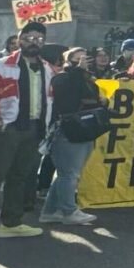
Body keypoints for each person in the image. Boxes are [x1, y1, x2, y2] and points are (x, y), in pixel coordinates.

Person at [0, 20, 59, 248]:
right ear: (19, 40)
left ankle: (11, 222)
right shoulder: (0, 66)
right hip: (8, 129)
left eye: (39, 39)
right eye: (29, 38)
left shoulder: (47, 68)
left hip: (34, 128)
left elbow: (49, 98)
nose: (34, 42)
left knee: (20, 176)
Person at [38, 47, 102, 227]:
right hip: (68, 131)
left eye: (85, 57)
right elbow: (69, 100)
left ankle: (50, 212)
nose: (84, 60)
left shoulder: (87, 79)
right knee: (69, 174)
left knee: (68, 174)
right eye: (78, 57)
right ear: (68, 60)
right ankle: (69, 211)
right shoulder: (62, 78)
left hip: (86, 129)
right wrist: (78, 71)